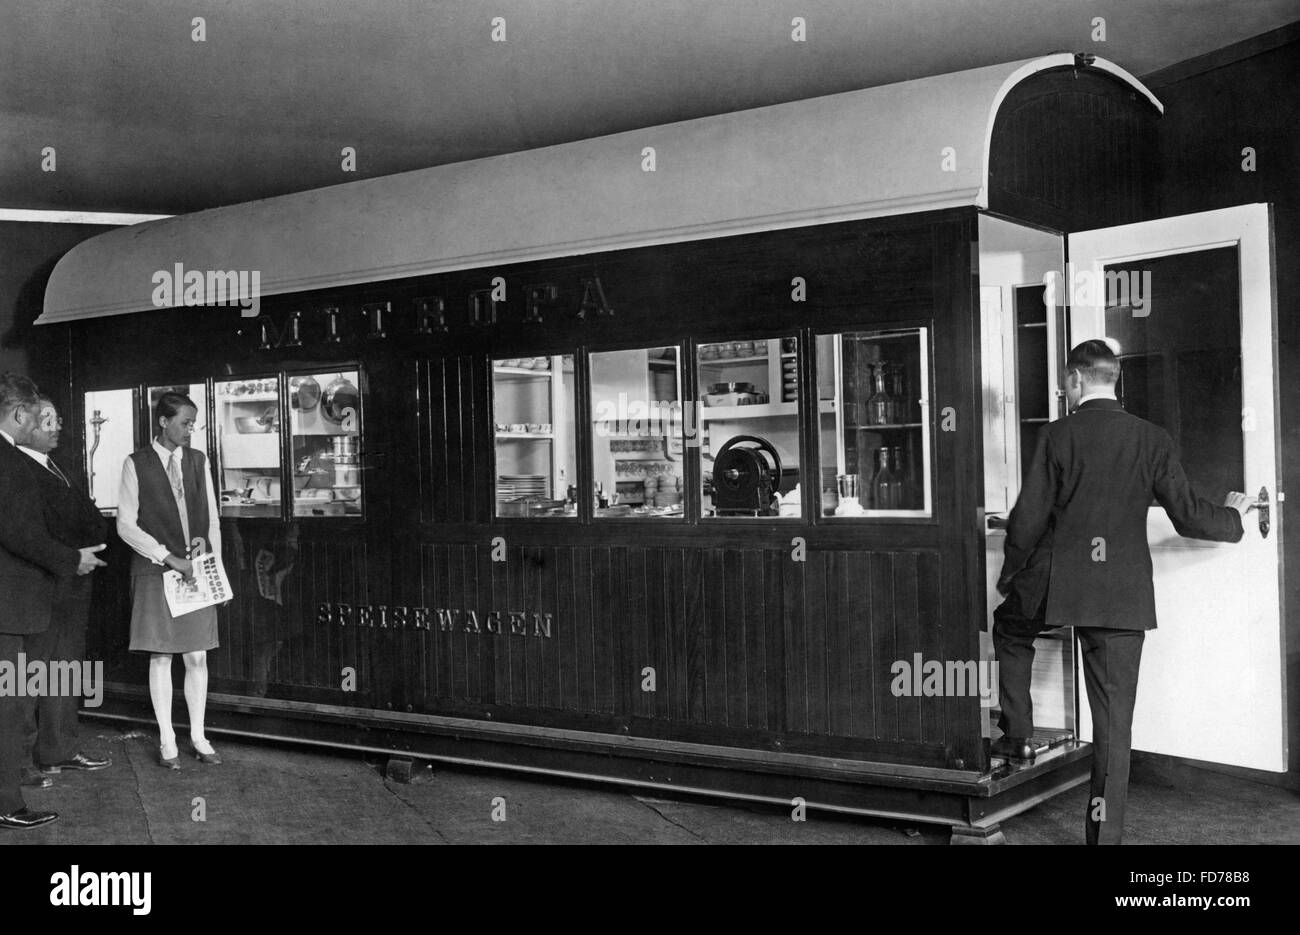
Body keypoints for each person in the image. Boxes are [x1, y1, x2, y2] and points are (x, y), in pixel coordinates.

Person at [993, 339, 1251, 845]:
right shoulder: (1152, 438)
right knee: (1113, 726)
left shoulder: (1057, 434)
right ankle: (1104, 840)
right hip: (1119, 592)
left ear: (1074, 380)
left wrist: (1010, 572)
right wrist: (1235, 517)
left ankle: (1018, 735)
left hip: (1055, 582)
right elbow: (1190, 516)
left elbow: (1027, 520)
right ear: (1115, 380)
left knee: (1009, 627)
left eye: (1065, 383)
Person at [0, 374, 106, 830]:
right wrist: (69, 559)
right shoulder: (9, 460)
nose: (46, 425)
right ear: (20, 415)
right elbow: (18, 532)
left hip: (18, 603)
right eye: (39, 417)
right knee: (8, 706)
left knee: (13, 701)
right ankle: (6, 803)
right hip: (12, 607)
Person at [117, 392, 224, 769]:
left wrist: (216, 570)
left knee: (197, 656)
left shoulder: (198, 460)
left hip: (195, 570)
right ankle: (167, 741)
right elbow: (125, 525)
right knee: (161, 655)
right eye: (184, 423)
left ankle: (198, 735)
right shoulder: (136, 464)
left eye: (193, 424)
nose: (190, 430)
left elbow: (211, 518)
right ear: (163, 422)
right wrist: (168, 556)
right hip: (154, 571)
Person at [18, 398, 113, 780]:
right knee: (28, 675)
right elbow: (32, 533)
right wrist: (73, 553)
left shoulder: (56, 464)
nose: (56, 426)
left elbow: (87, 514)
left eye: (57, 418)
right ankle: (20, 766)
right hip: (42, 584)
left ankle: (58, 749)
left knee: (65, 669)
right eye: (47, 420)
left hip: (74, 582)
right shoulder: (16, 467)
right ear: (24, 423)